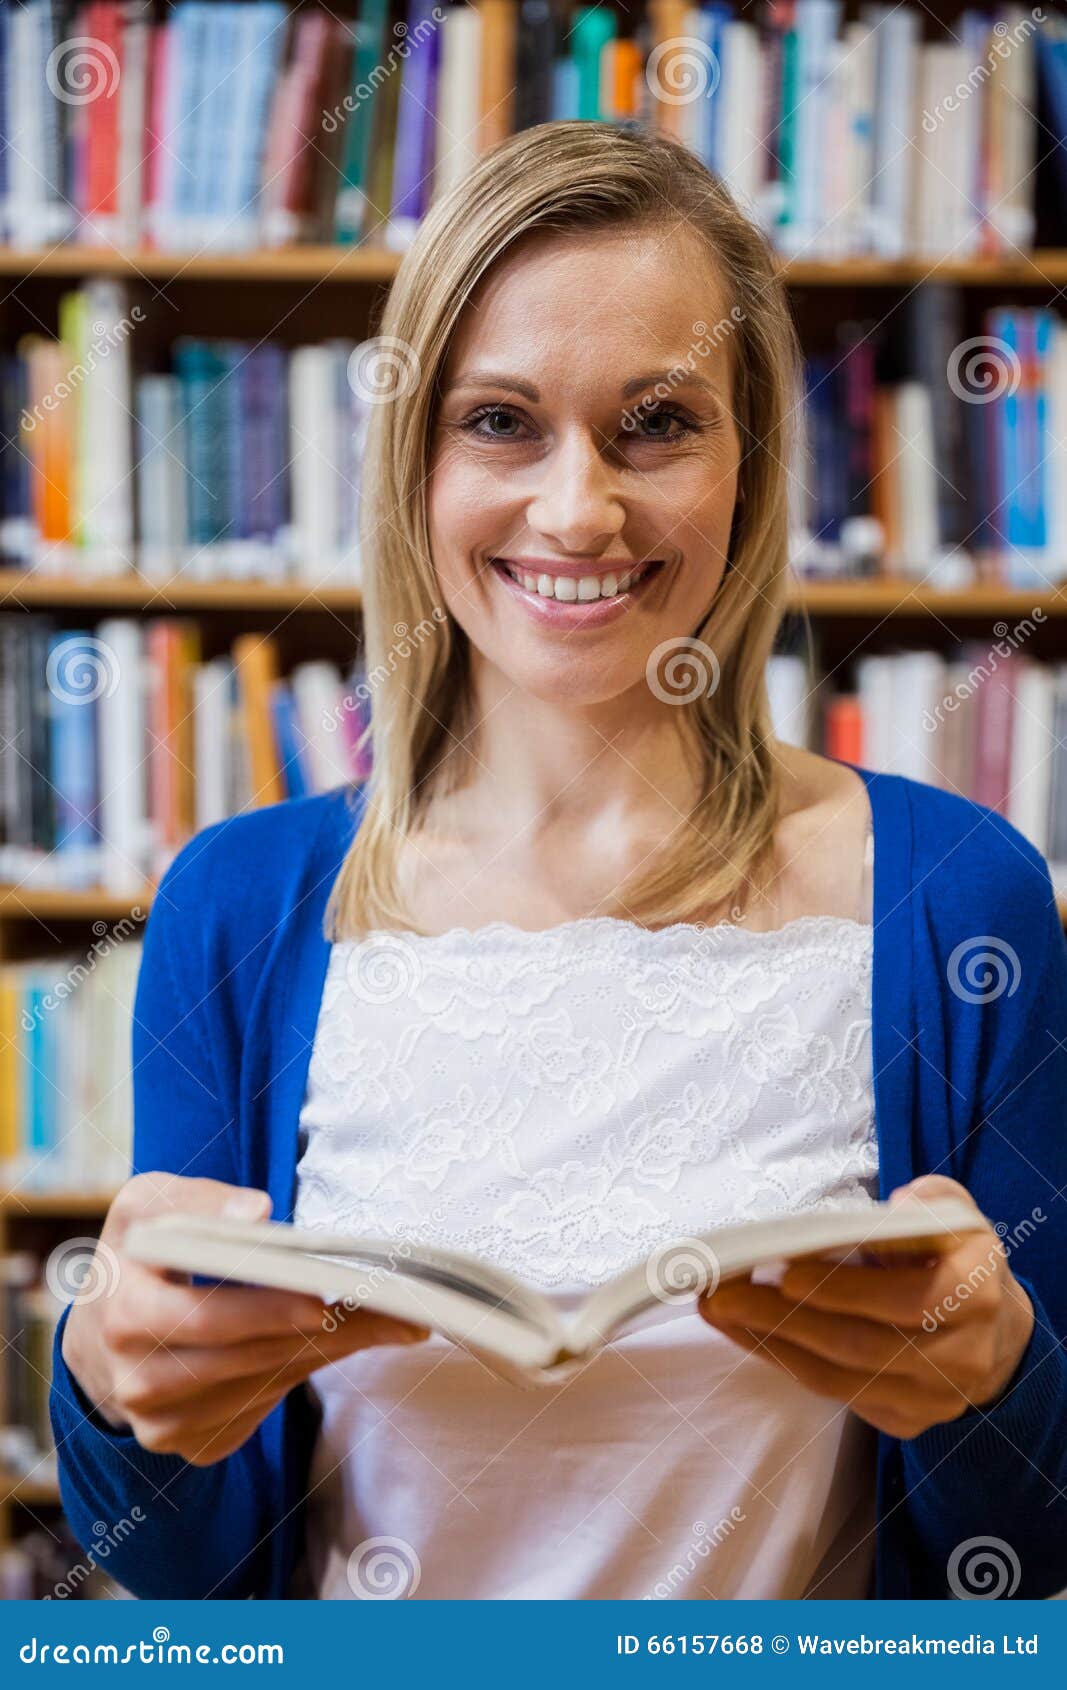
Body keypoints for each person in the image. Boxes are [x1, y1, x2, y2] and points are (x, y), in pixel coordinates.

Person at [51, 121, 1067, 1601]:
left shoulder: (957, 894)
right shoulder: (239, 907)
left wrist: (1002, 1377)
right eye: (501, 421)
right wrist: (107, 1377)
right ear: (413, 460)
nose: (578, 508)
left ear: (749, 461)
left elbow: (1035, 1541)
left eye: (657, 421)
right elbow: (183, 1565)